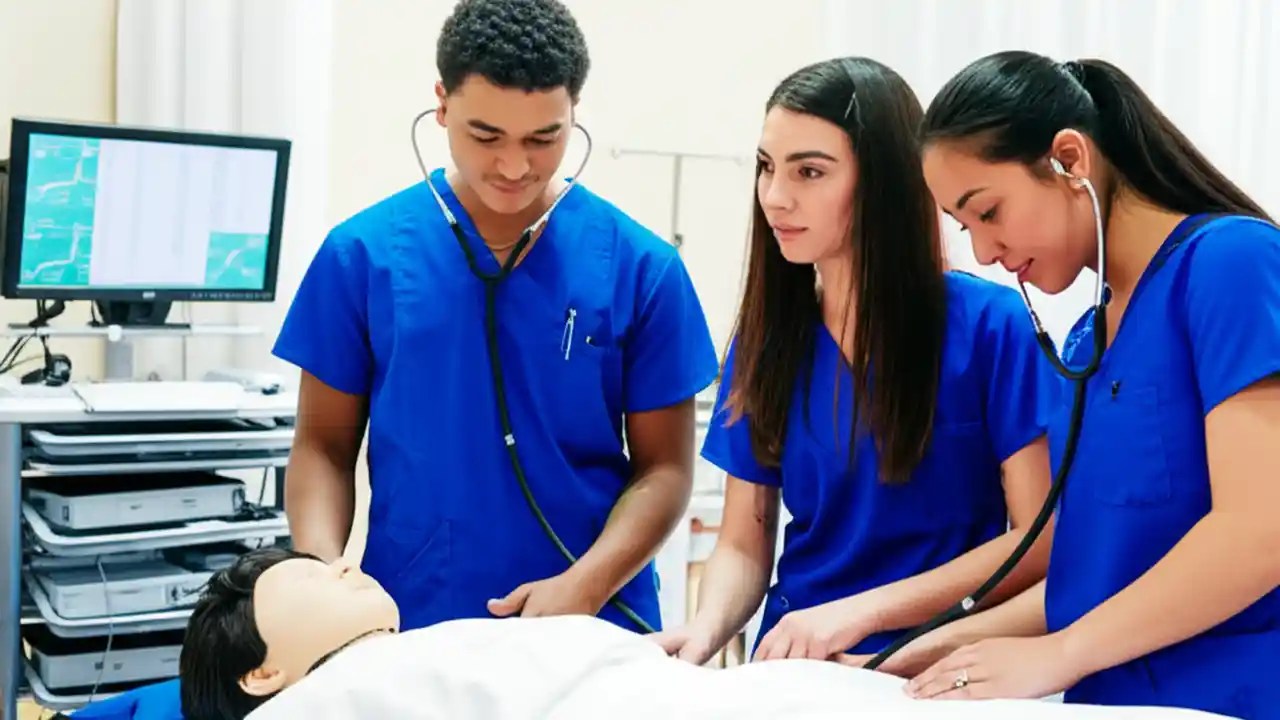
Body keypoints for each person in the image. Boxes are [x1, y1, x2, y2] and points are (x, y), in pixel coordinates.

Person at [271, 0, 718, 636]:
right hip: (413, 618)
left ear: (574, 113)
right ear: (441, 104)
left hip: (594, 622)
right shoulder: (362, 256)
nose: (514, 167)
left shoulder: (642, 268)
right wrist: (319, 584)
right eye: (486, 137)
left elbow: (665, 469)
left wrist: (585, 586)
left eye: (544, 139)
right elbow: (323, 447)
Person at [900, 50, 1280, 718]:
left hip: (1230, 699)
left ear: (1069, 160)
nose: (983, 253)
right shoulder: (1086, 341)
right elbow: (1092, 579)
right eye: (965, 228)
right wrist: (927, 650)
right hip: (1108, 701)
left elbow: (1261, 530)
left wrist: (1061, 654)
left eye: (988, 212)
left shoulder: (1231, 263)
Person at [651, 57, 1057, 668]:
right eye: (766, 168)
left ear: (883, 181)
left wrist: (862, 615)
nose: (776, 197)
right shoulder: (766, 341)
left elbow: (1036, 540)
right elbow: (743, 540)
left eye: (809, 171)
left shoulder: (992, 327)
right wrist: (703, 632)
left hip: (931, 669)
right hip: (795, 667)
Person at [176, 547, 1224, 720]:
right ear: (263, 673)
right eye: (314, 574)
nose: (345, 564)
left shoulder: (417, 657)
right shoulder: (326, 697)